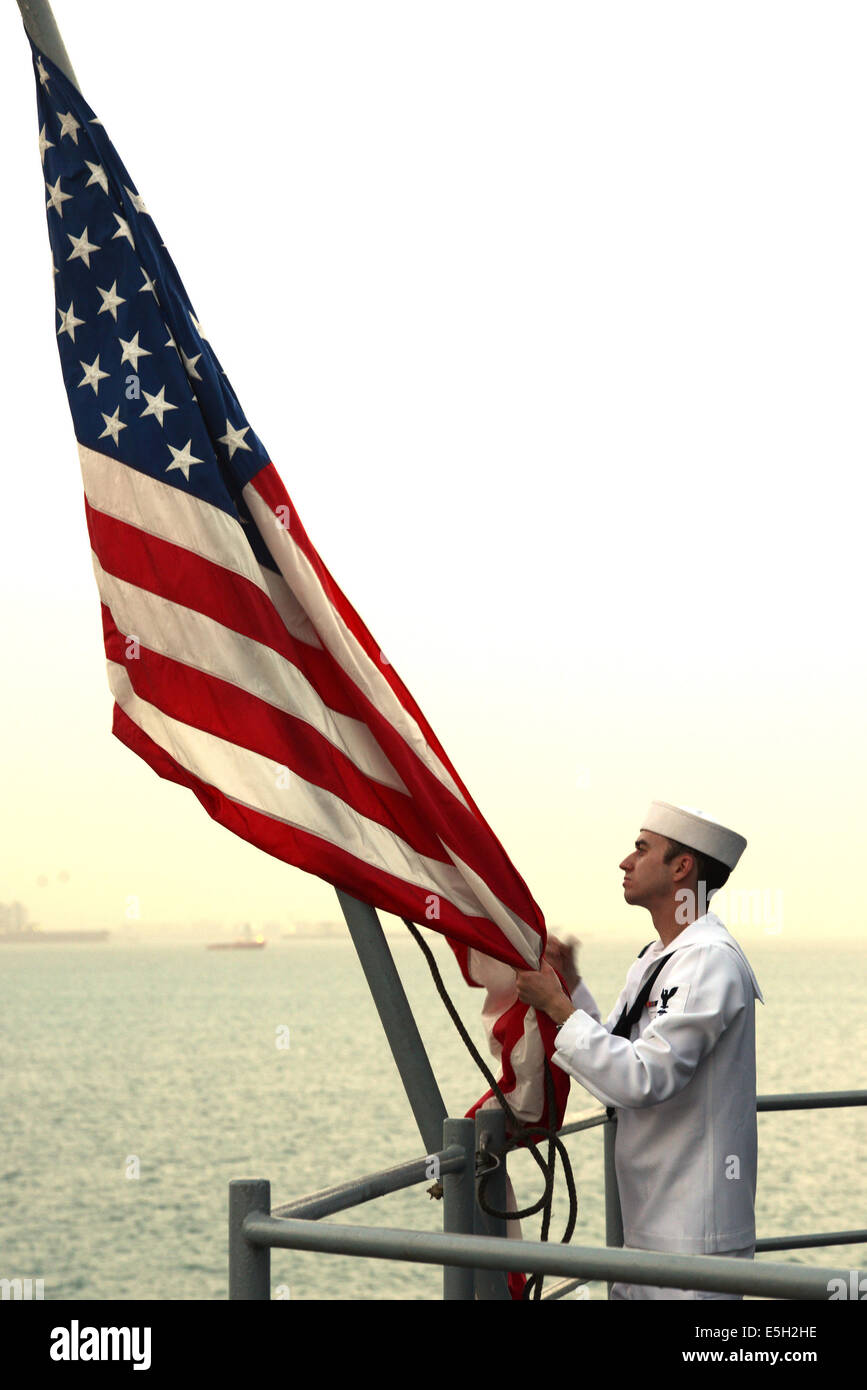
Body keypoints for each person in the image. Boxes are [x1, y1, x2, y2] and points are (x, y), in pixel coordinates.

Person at [515, 800, 764, 1300]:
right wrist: (572, 989)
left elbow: (643, 1079)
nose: (625, 862)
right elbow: (616, 1054)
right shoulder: (658, 958)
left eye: (641, 849)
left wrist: (561, 1008)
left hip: (695, 1236)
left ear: (681, 867)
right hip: (651, 1224)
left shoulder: (709, 962)